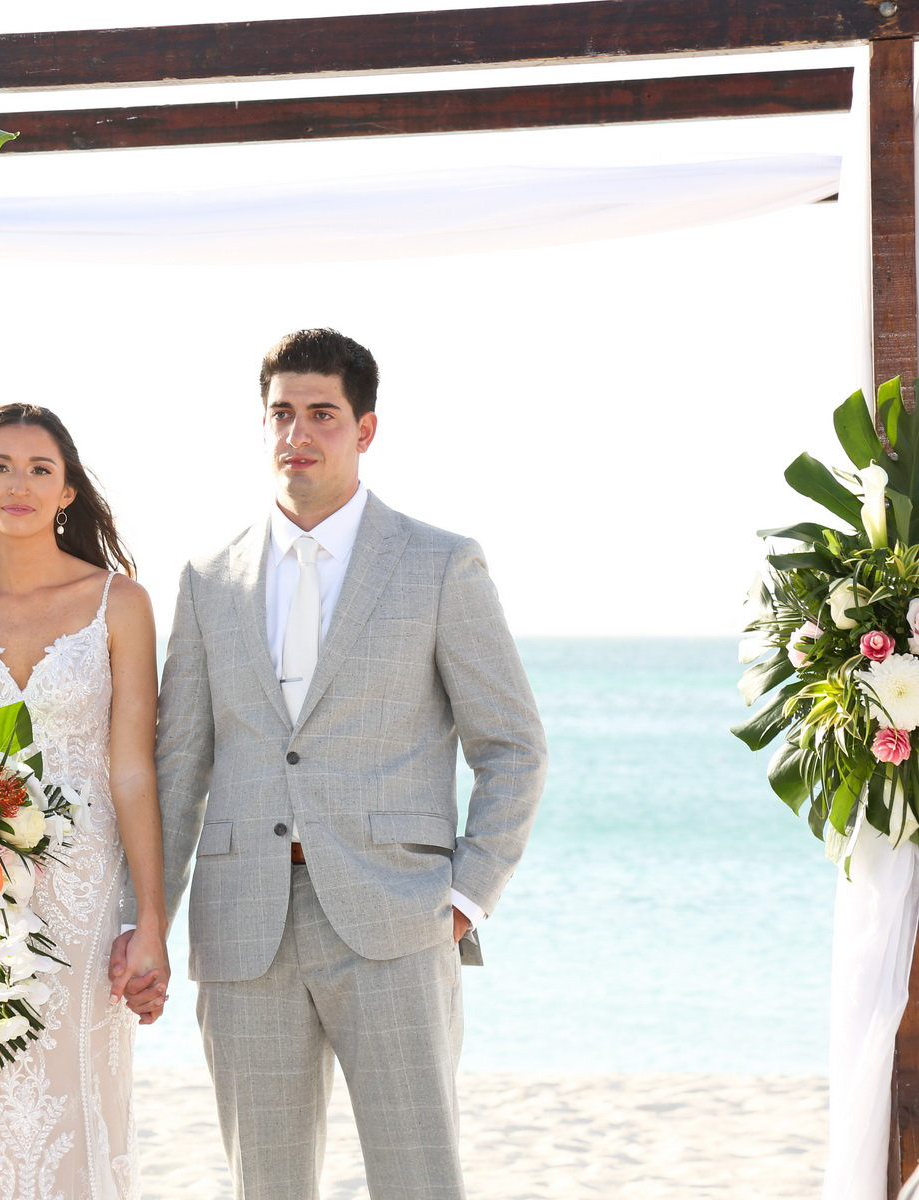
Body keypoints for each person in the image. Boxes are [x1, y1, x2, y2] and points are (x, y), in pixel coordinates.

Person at [152, 328, 547, 1199]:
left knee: (418, 1180)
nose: (299, 432)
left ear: (365, 429)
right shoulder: (206, 577)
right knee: (268, 1185)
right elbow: (178, 772)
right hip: (242, 926)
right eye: (281, 414)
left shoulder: (441, 564)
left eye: (321, 413)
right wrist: (146, 919)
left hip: (396, 922)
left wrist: (463, 896)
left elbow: (513, 748)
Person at [0, 403, 168, 1200]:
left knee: (78, 1101)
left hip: (83, 899)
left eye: (39, 469)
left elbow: (133, 771)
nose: (19, 483)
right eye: (0, 467)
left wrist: (147, 918)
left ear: (68, 492)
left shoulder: (120, 603)